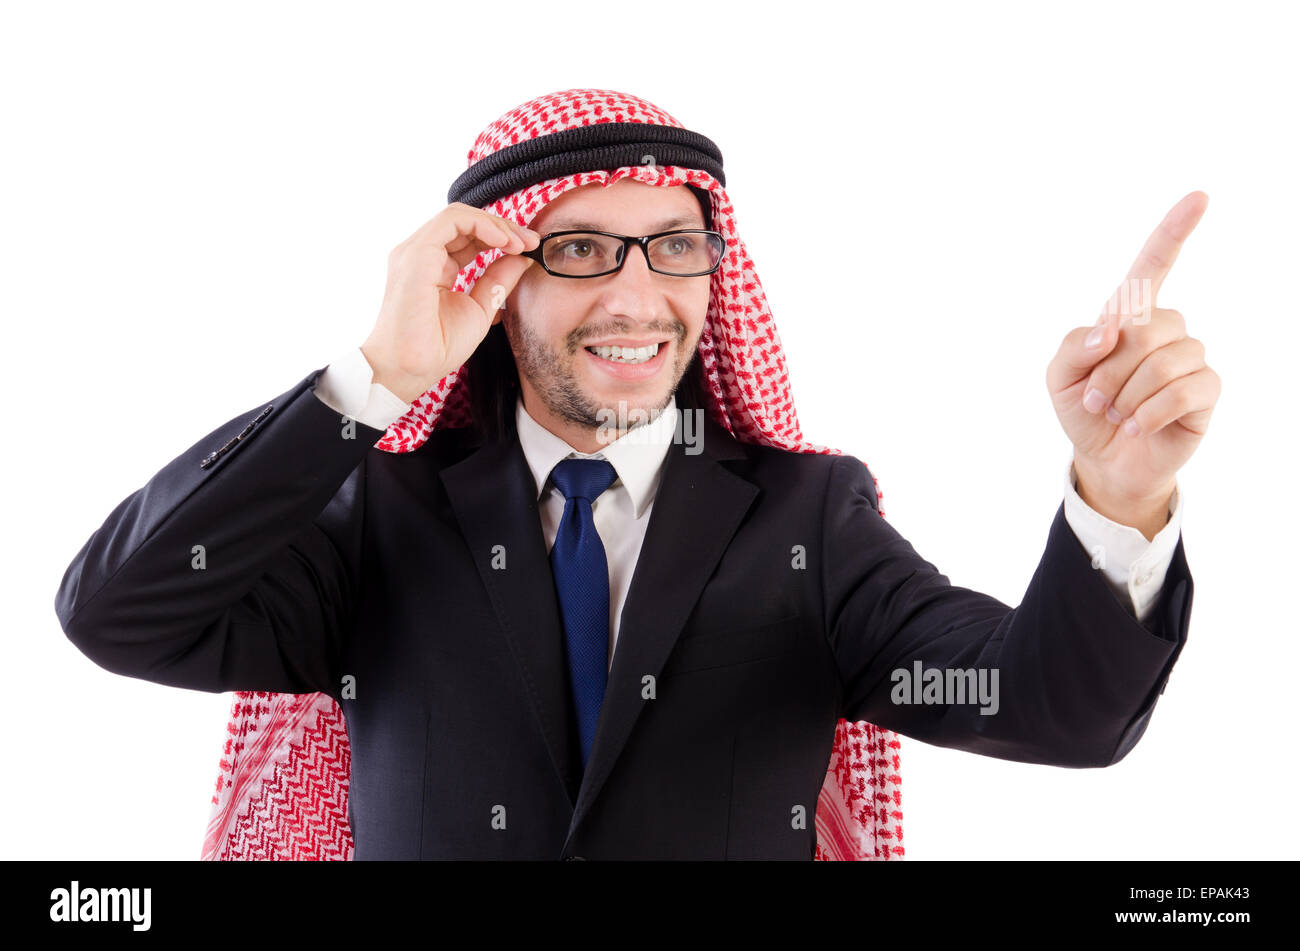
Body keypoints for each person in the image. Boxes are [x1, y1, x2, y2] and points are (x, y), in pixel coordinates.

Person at [53, 88, 1215, 861]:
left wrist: (1114, 499)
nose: (634, 295)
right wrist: (375, 377)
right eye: (576, 251)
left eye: (673, 247)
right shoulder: (376, 519)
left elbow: (1049, 711)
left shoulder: (808, 520)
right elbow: (120, 613)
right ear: (493, 282)